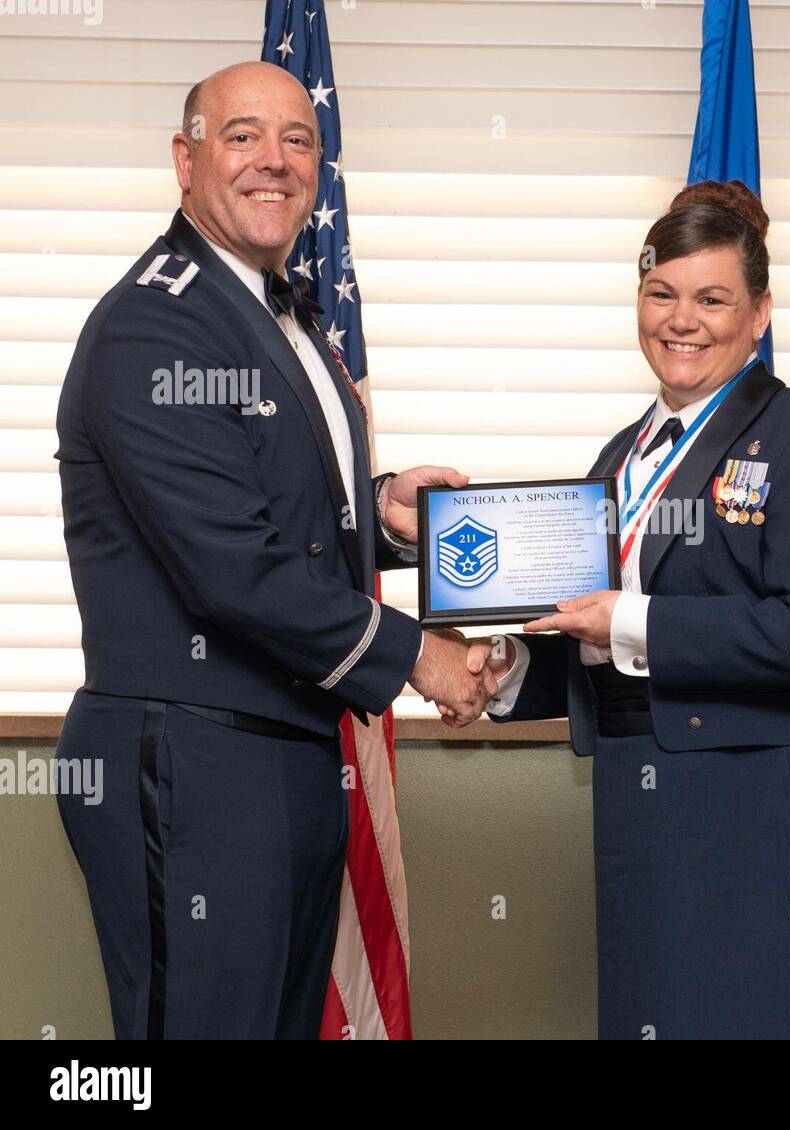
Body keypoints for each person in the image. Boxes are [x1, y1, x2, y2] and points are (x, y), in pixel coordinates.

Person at [54, 61, 494, 1039]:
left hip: (281, 753)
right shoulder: (155, 326)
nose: (275, 160)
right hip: (196, 755)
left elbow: (270, 506)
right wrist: (419, 651)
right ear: (186, 157)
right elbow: (231, 568)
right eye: (242, 135)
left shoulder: (272, 315)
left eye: (298, 139)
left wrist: (382, 514)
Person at [449, 180, 790, 1039]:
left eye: (713, 299)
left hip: (760, 800)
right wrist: (505, 673)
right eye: (662, 295)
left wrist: (631, 621)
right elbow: (597, 641)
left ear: (758, 313)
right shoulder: (620, 454)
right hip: (639, 798)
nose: (683, 320)